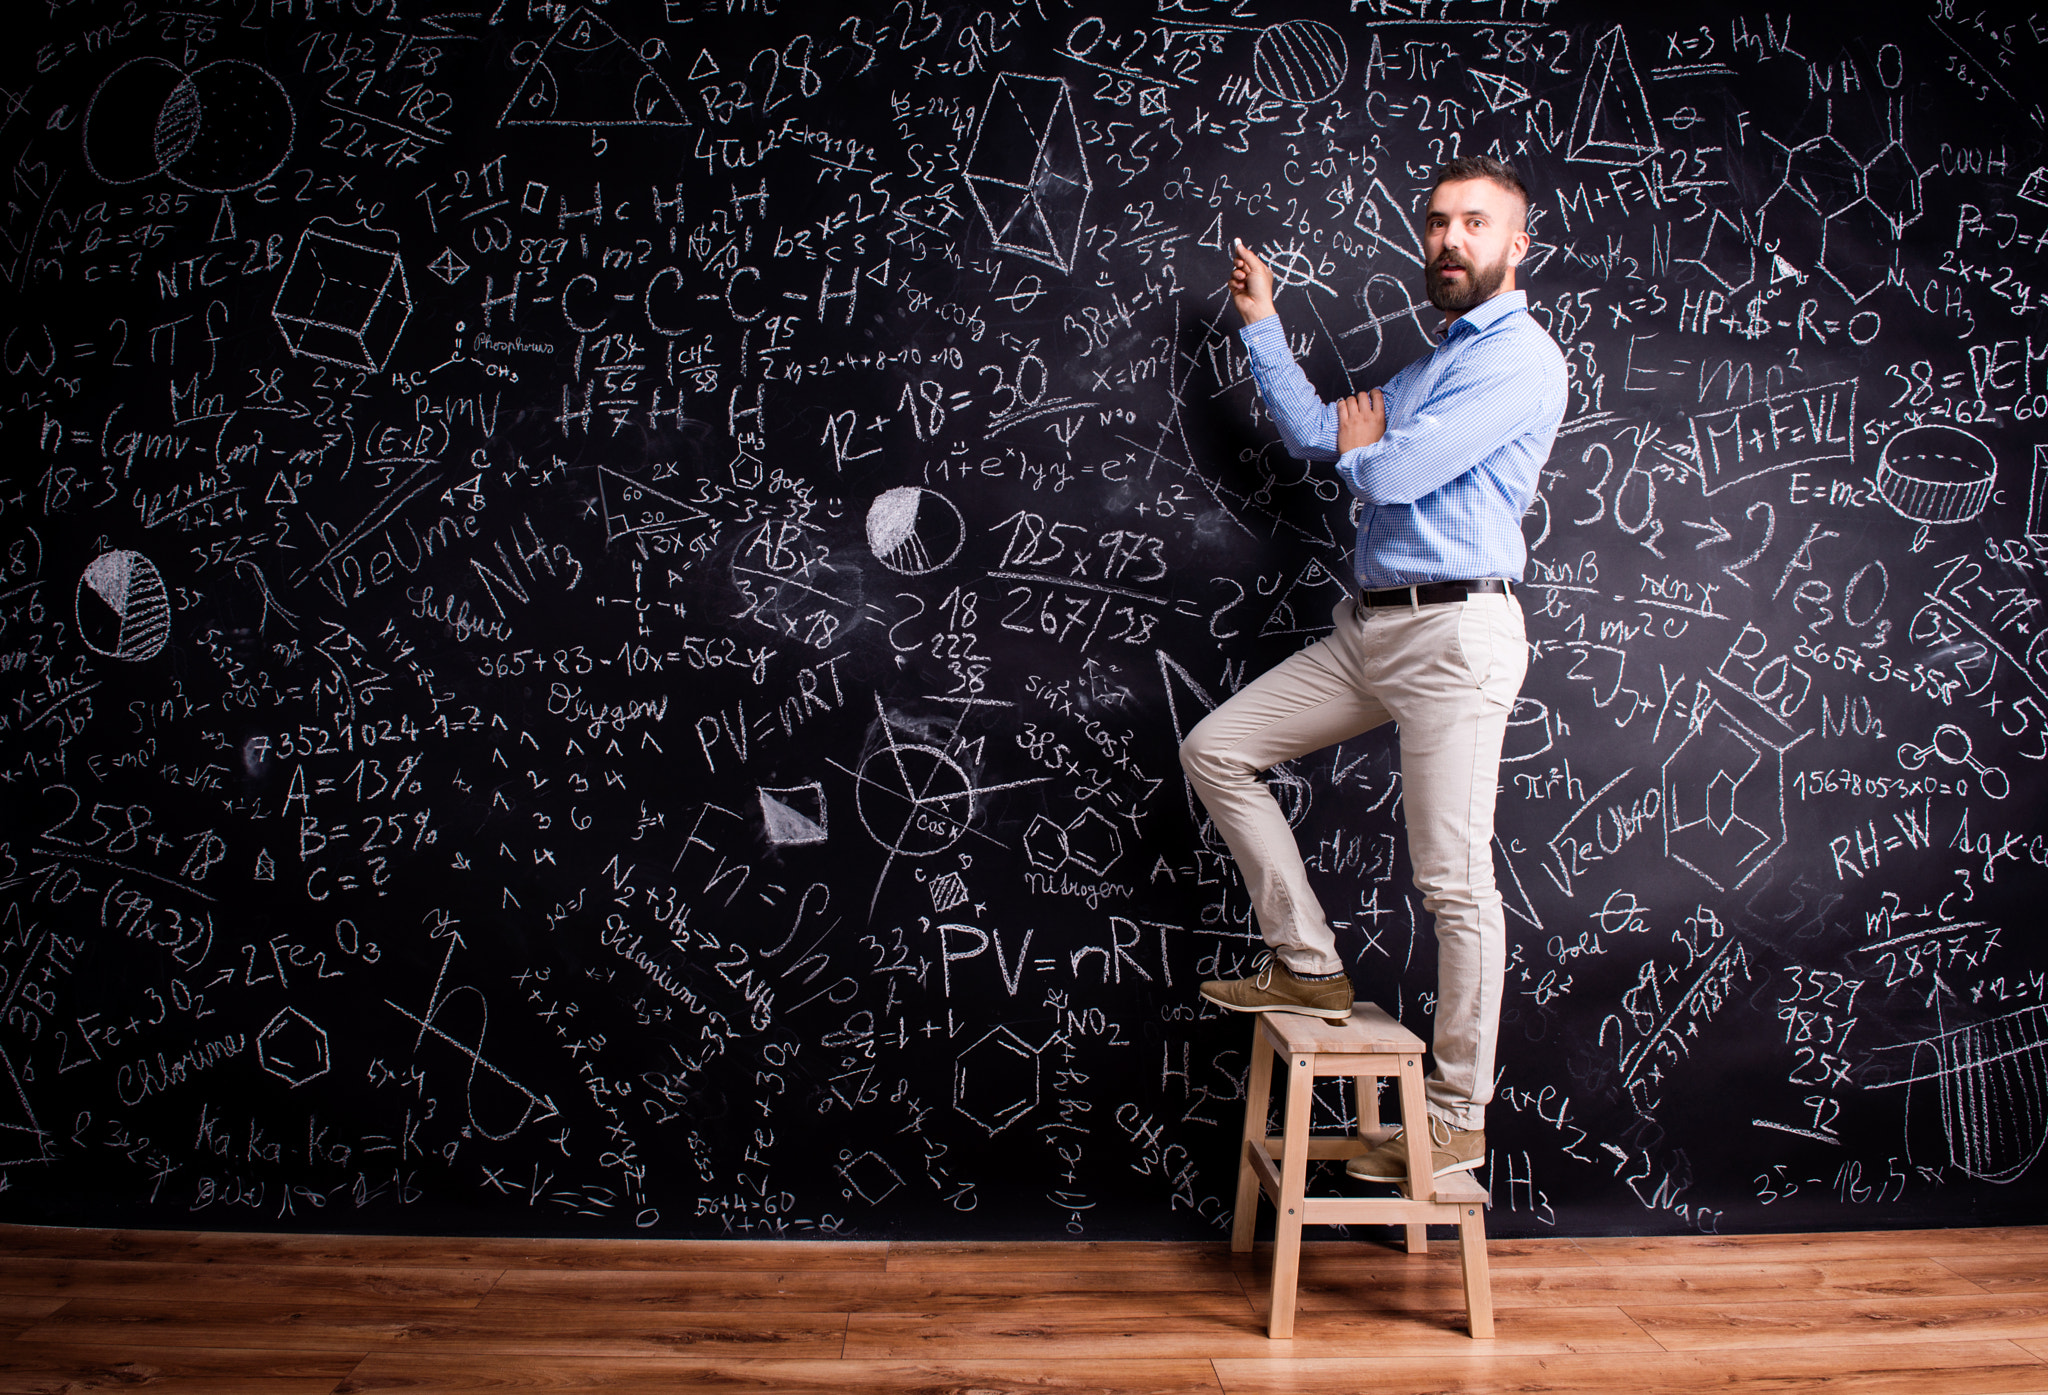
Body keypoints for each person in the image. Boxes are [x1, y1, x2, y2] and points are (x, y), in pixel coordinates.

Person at [1182, 156, 1567, 1183]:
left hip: (1452, 638)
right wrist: (1262, 321)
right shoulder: (1431, 367)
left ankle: (1453, 1117)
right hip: (1374, 630)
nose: (1448, 239)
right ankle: (1307, 967)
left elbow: (1386, 469)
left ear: (1513, 246)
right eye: (1437, 223)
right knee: (1217, 750)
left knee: (1451, 885)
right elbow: (1321, 434)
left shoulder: (1518, 360)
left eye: (1473, 224)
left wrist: (1369, 453)